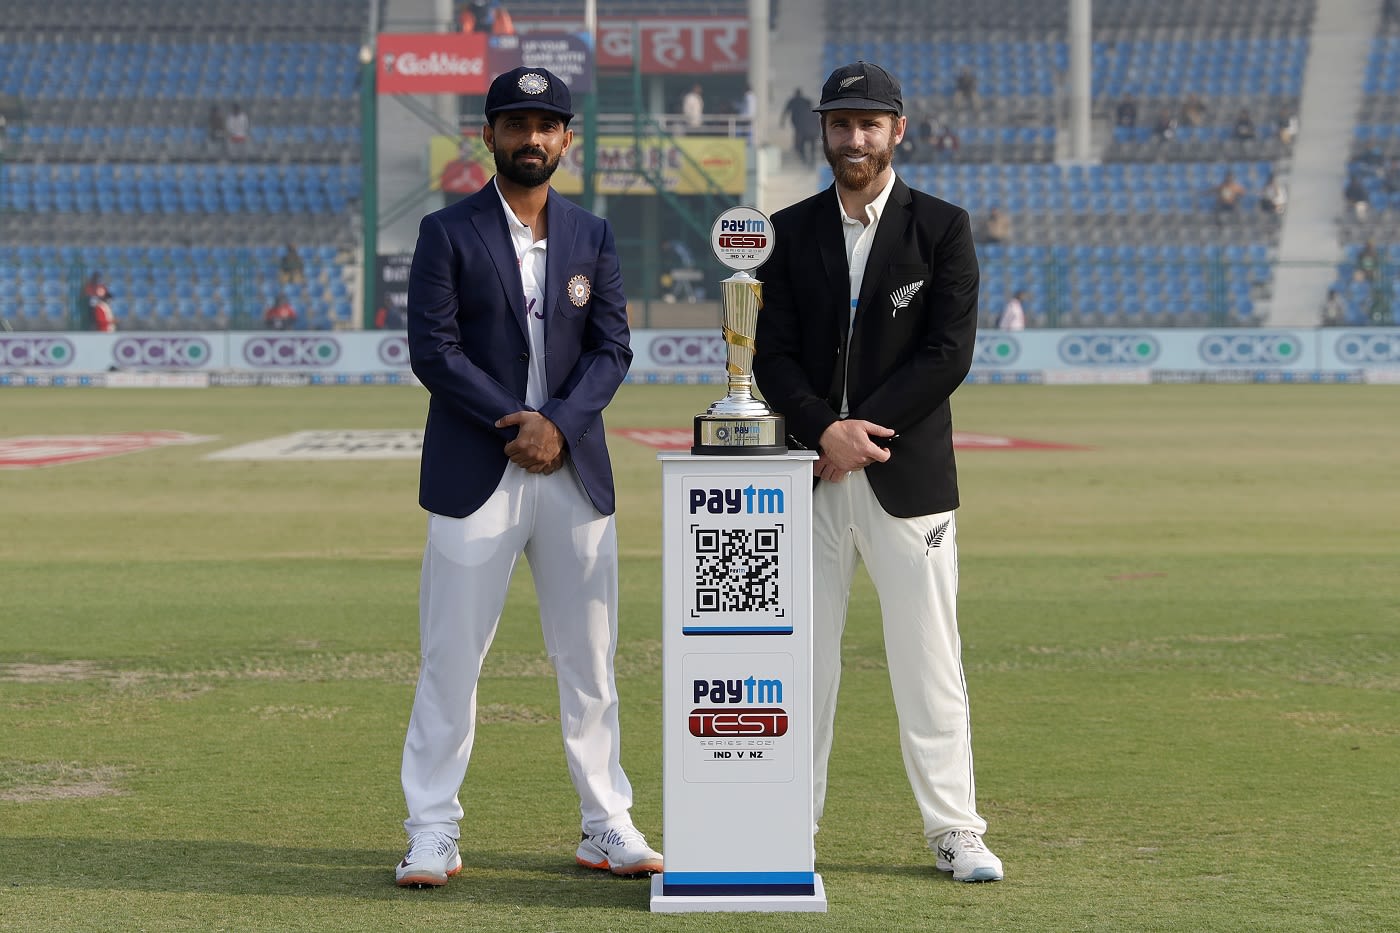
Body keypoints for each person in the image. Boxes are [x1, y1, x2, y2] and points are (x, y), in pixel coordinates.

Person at [395, 65, 659, 888]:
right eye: (517, 124)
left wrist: (561, 425)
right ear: (489, 135)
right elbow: (434, 352)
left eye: (548, 125)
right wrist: (522, 423)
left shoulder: (594, 235)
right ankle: (432, 827)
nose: (533, 138)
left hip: (573, 470)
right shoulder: (447, 232)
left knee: (590, 661)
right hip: (481, 465)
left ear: (568, 139)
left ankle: (605, 822)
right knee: (451, 659)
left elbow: (614, 347)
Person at [752, 60, 1003, 884]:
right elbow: (772, 356)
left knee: (930, 661)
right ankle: (793, 827)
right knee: (804, 663)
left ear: (899, 130)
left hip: (906, 477)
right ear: (821, 132)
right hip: (812, 474)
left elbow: (948, 355)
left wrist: (862, 432)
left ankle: (956, 830)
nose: (853, 137)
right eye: (839, 123)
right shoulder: (787, 231)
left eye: (869, 123)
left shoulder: (943, 227)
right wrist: (825, 429)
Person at [782, 87, 820, 166]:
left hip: (801, 128)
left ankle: (805, 159)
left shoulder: (793, 101)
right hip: (812, 133)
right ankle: (811, 160)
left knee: (800, 145)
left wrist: (782, 121)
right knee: (811, 147)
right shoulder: (815, 113)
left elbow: (785, 111)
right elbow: (819, 124)